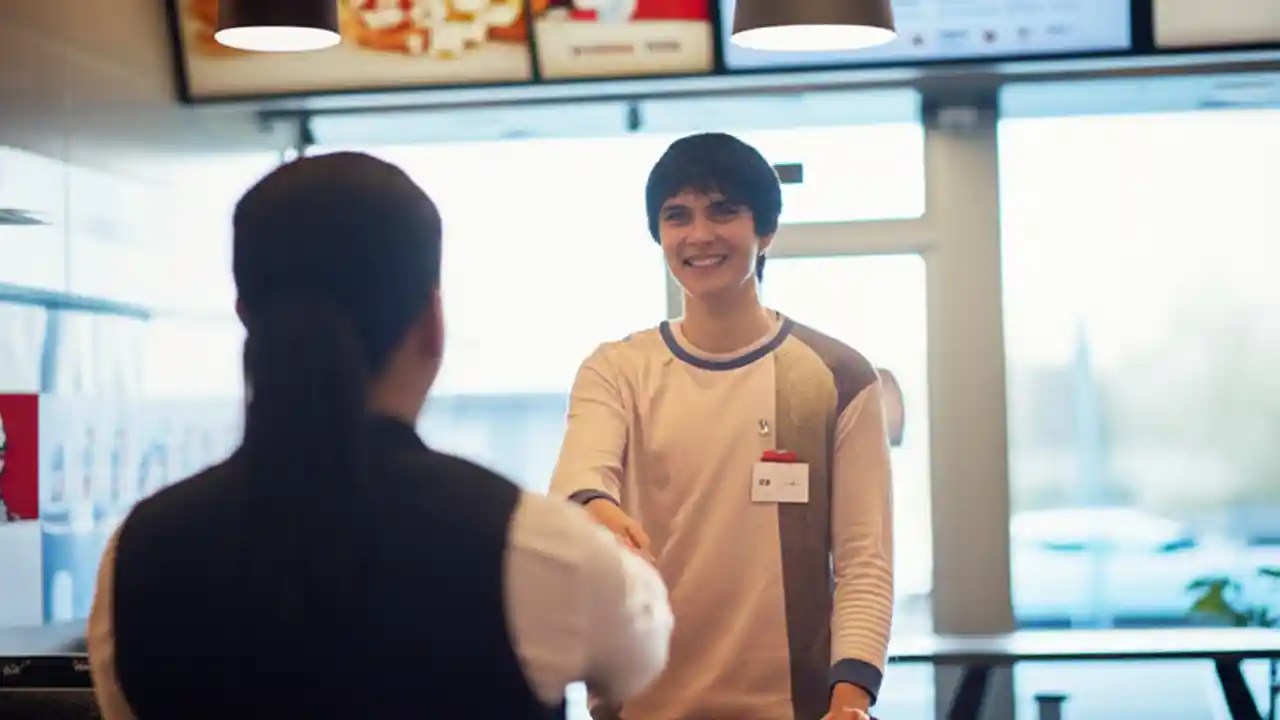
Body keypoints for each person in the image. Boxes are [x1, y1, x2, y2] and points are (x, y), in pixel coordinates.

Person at [86, 152, 673, 720]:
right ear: (432, 323)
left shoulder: (137, 551)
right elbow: (638, 655)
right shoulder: (528, 542)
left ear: (245, 314)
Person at [549, 133, 893, 720]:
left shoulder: (836, 376)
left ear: (766, 230)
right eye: (677, 215)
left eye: (724, 210)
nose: (700, 234)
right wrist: (597, 517)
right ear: (659, 235)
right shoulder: (617, 369)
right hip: (642, 705)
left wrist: (851, 700)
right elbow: (579, 482)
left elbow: (865, 560)